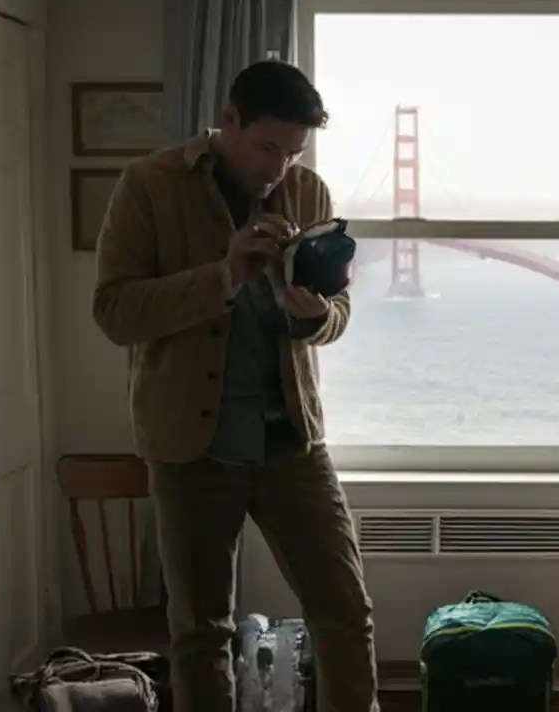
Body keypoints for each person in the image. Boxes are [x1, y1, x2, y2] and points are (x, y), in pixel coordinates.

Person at [92, 60, 378, 712]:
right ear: (228, 121)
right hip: (190, 447)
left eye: (294, 151)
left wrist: (318, 317)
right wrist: (223, 275)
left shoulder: (309, 193)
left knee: (345, 610)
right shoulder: (149, 186)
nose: (279, 167)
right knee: (200, 633)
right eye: (267, 146)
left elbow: (338, 310)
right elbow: (113, 313)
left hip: (292, 440)